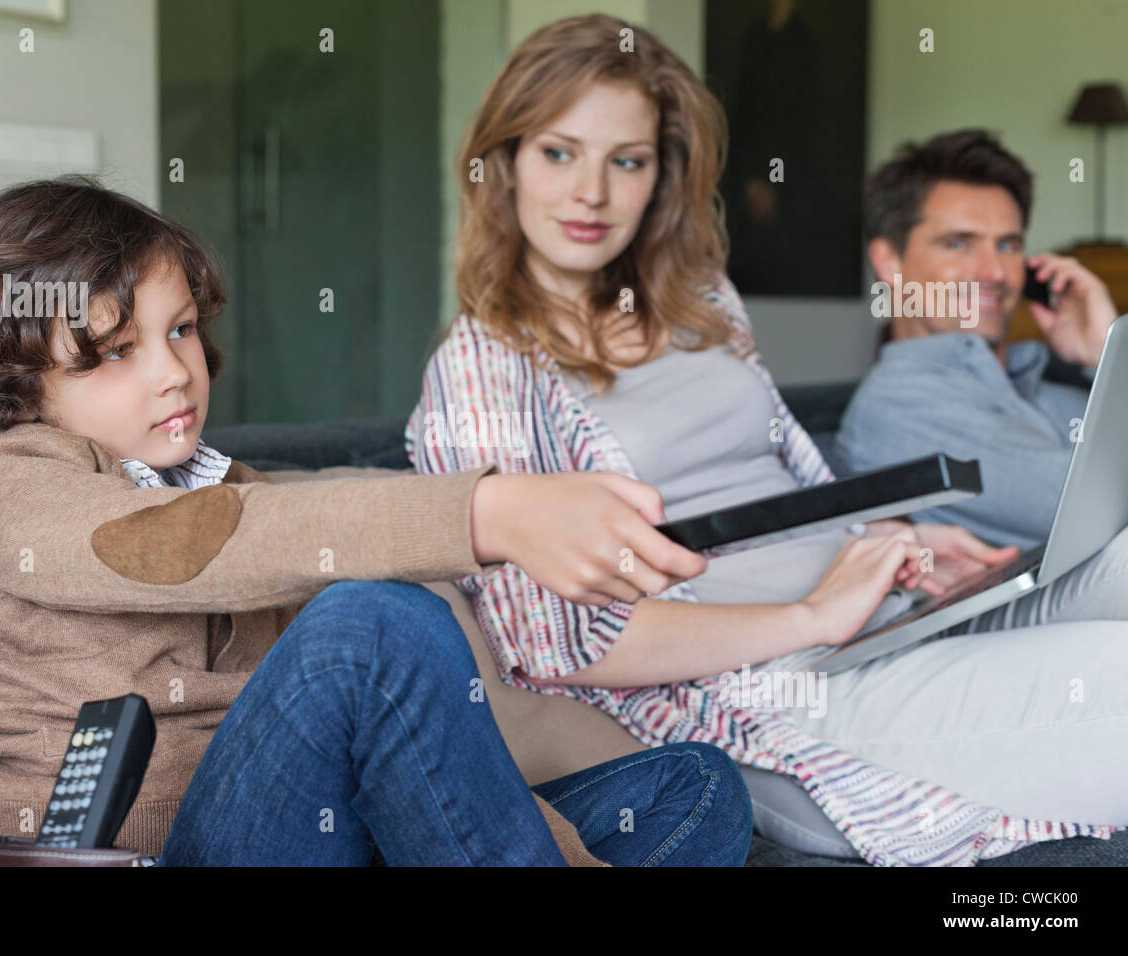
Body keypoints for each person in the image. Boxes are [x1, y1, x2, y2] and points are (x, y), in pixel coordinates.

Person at [407, 14, 1128, 865]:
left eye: (626, 160)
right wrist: (809, 613)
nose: (591, 193)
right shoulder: (484, 367)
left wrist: (889, 537)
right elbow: (550, 650)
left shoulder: (702, 302)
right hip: (789, 688)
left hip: (894, 618)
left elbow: (778, 487)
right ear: (505, 164)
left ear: (662, 174)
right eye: (558, 153)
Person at [0, 176, 753, 866]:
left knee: (695, 789)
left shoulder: (221, 481)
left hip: (317, 827)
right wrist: (487, 511)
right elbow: (182, 543)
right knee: (369, 623)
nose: (175, 372)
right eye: (119, 351)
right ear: (14, 375)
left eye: (183, 329)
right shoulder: (0, 483)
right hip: (162, 852)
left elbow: (432, 762)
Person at [835, 128, 1119, 551]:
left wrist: (1105, 354)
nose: (995, 272)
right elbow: (1099, 511)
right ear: (888, 261)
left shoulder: (1041, 388)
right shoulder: (902, 406)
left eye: (1007, 245)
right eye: (958, 243)